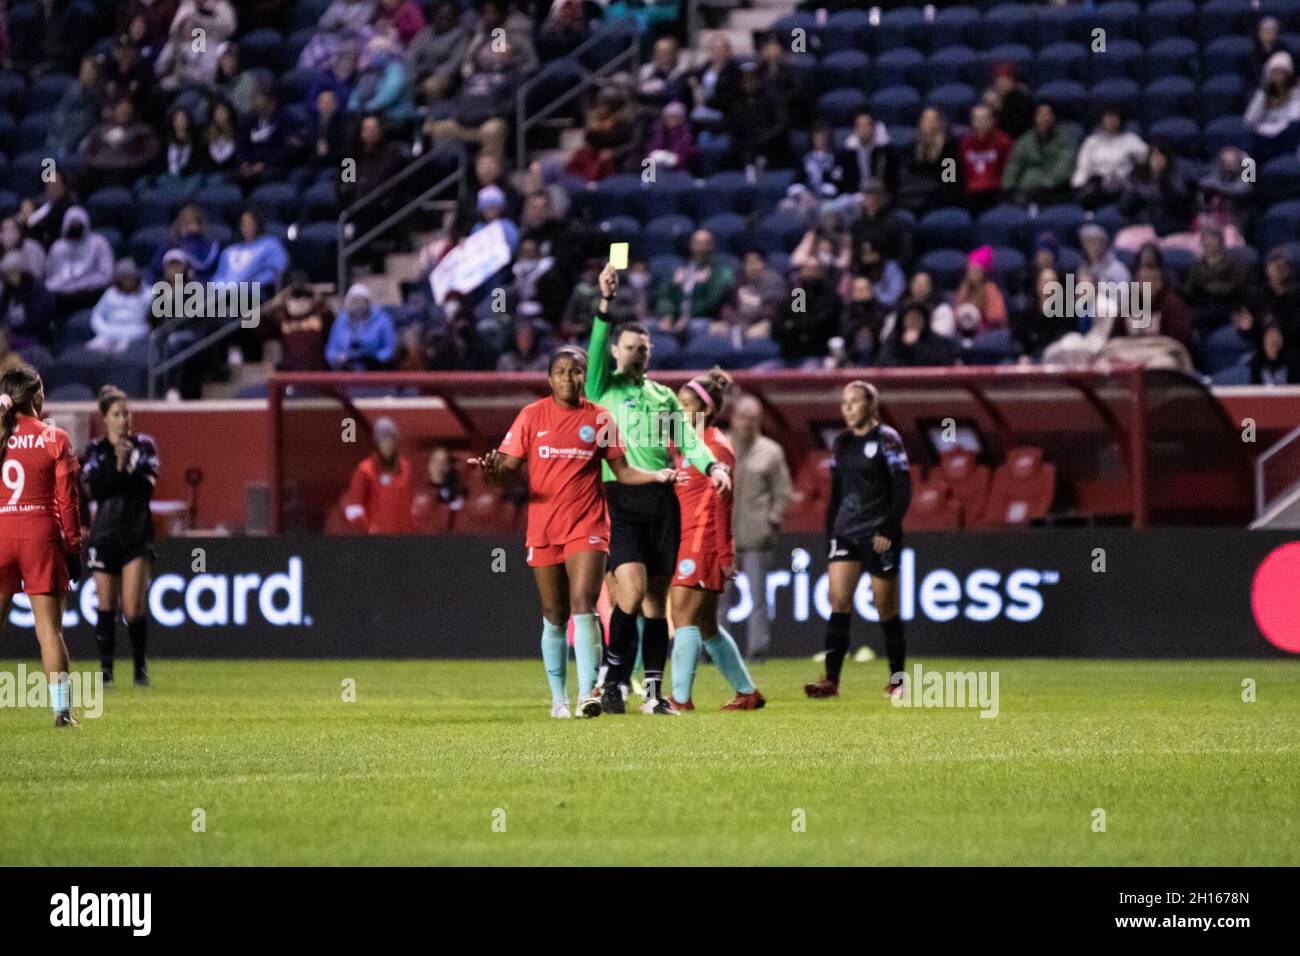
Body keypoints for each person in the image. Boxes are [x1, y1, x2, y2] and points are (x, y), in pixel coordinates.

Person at [470, 345, 679, 718]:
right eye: (561, 371)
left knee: (585, 602)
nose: (569, 378)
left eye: (577, 371)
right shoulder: (531, 417)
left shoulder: (599, 419)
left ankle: (587, 695)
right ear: (549, 378)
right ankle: (558, 700)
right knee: (554, 613)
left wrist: (655, 476)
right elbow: (507, 469)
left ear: (586, 376)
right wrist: (492, 472)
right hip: (544, 526)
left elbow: (623, 470)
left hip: (588, 524)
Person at [586, 263, 729, 715]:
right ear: (615, 350)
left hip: (662, 501)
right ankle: (611, 680)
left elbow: (685, 439)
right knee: (628, 594)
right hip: (619, 497)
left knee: (655, 602)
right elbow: (593, 346)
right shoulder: (600, 385)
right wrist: (605, 301)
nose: (638, 354)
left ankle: (652, 693)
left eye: (644, 348)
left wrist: (711, 467)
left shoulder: (663, 397)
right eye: (630, 347)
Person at [806, 381, 912, 700]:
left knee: (885, 607)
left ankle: (897, 679)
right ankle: (831, 681)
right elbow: (836, 493)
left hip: (879, 534)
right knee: (838, 603)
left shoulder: (888, 439)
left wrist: (888, 529)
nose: (848, 408)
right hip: (846, 532)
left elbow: (903, 489)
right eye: (844, 403)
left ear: (871, 405)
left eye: (854, 402)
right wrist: (830, 536)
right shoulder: (842, 442)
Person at [668, 370, 765, 711]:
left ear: (706, 411)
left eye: (686, 405)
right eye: (677, 404)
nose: (678, 411)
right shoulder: (684, 444)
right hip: (686, 537)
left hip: (702, 540)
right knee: (706, 625)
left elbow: (723, 505)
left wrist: (726, 555)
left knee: (682, 616)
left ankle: (680, 700)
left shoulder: (717, 449)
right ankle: (747, 692)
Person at [0, 364, 84, 726]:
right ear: (36, 397)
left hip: (1, 532)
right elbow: (69, 501)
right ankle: (62, 713)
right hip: (40, 535)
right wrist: (75, 546)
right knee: (49, 631)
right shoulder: (54, 438)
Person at [81, 385, 159, 687]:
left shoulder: (146, 446)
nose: (124, 418)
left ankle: (140, 666)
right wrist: (121, 467)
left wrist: (120, 473)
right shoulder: (95, 451)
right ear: (105, 419)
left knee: (133, 607)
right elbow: (95, 489)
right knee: (105, 605)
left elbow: (146, 487)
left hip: (136, 533)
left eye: (127, 412)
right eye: (117, 414)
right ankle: (106, 671)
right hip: (104, 535)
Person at [725, 393, 792, 662]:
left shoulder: (771, 451)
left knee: (758, 598)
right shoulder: (720, 445)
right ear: (732, 417)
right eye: (742, 417)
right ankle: (717, 651)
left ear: (759, 421)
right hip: (723, 534)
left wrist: (771, 520)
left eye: (752, 418)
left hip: (756, 535)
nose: (746, 423)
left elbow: (783, 492)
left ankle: (757, 651)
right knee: (718, 599)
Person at [343, 417, 416, 534]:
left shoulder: (405, 467)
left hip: (403, 540)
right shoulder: (365, 469)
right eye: (382, 438)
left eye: (390, 438)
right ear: (376, 443)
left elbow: (409, 504)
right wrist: (370, 529)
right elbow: (353, 509)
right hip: (376, 542)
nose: (387, 443)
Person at [326, 284, 397, 370]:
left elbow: (389, 348)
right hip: (347, 367)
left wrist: (376, 358)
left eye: (361, 301)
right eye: (354, 301)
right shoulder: (341, 321)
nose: (358, 305)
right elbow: (331, 350)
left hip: (375, 367)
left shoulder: (382, 319)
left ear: (368, 302)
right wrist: (337, 358)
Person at [88, 259, 152, 352]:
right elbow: (97, 314)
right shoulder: (110, 293)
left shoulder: (149, 294)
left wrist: (128, 335)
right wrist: (104, 330)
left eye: (130, 277)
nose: (127, 281)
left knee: (122, 350)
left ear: (137, 277)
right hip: (109, 332)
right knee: (91, 350)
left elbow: (151, 324)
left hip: (135, 333)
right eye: (124, 277)